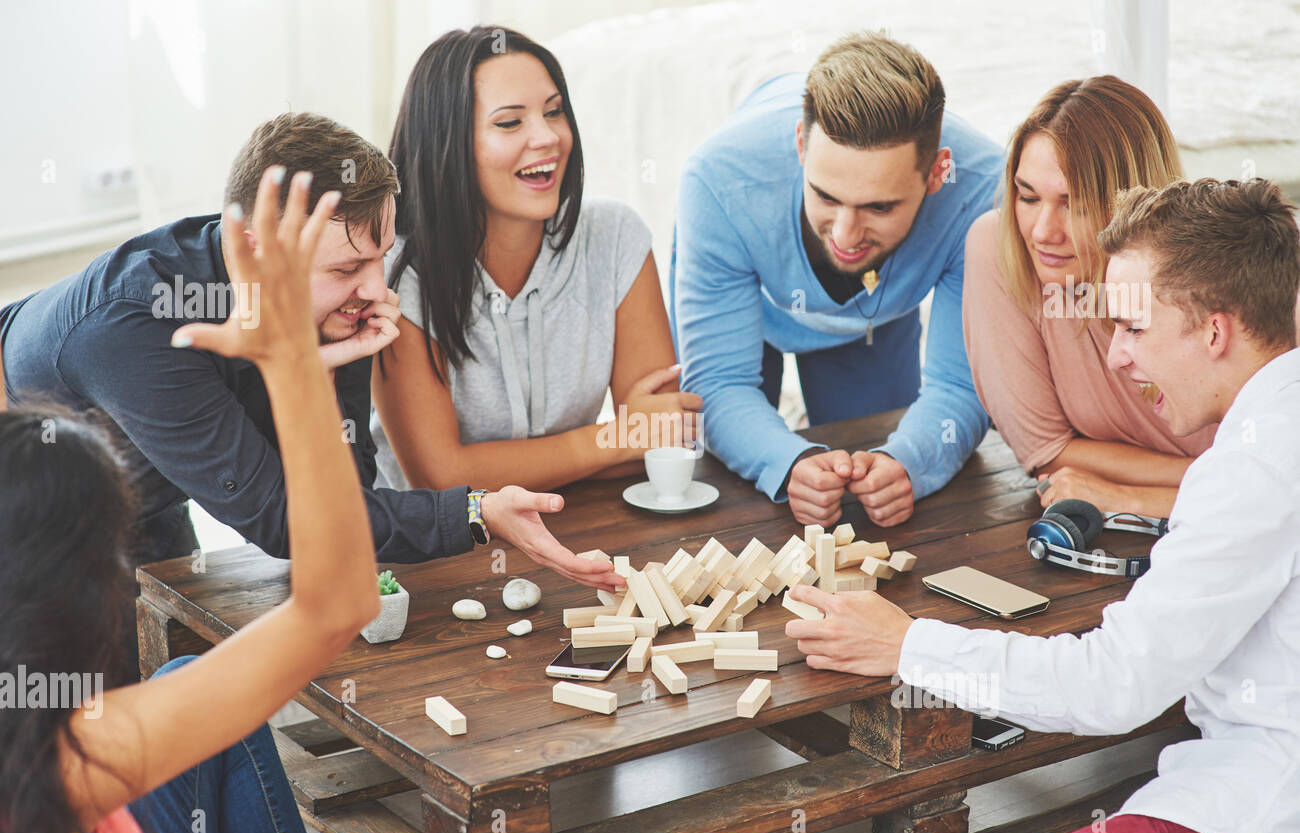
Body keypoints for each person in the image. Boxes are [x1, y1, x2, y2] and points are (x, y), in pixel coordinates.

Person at [784, 178, 1300, 833]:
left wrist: (906, 644)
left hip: (1248, 829)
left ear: (1214, 330)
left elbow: (1114, 685)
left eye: (1135, 327)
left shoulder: (1255, 464)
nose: (1118, 354)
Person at [0, 112, 622, 594]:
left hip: (138, 500)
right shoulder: (138, 325)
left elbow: (342, 495)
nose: (377, 291)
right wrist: (474, 512)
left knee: (187, 683)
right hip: (24, 512)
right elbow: (284, 520)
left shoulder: (333, 304)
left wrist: (313, 368)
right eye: (349, 265)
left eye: (381, 258)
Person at [1, 170, 373, 833]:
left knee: (189, 683)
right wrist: (292, 357)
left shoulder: (62, 763)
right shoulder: (69, 771)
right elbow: (334, 605)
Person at [670, 30, 1003, 530]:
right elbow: (719, 383)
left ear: (938, 174)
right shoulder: (716, 180)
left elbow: (961, 382)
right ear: (801, 146)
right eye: (826, 197)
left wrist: (908, 461)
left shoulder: (983, 193)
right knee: (742, 489)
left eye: (879, 206)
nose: (846, 235)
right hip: (753, 307)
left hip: (879, 314)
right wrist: (791, 463)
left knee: (871, 479)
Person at [370, 26, 699, 494]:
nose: (548, 137)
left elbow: (661, 441)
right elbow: (440, 479)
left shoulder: (615, 237)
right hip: (431, 555)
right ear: (447, 143)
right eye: (510, 123)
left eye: (554, 112)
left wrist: (619, 442)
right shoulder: (393, 272)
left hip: (573, 525)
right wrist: (617, 436)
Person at [964, 75, 1213, 518]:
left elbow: (1275, 481)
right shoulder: (1000, 251)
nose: (1042, 232)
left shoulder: (1220, 277)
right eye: (1027, 196)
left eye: (1075, 204)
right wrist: (1211, 474)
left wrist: (1136, 495)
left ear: (1134, 201)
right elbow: (1047, 453)